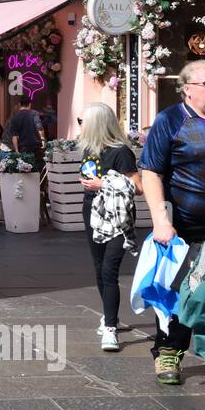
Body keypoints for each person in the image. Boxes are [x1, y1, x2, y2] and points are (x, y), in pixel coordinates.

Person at [139, 60, 205, 384]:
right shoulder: (170, 120)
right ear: (187, 89)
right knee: (181, 291)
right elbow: (151, 172)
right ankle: (169, 352)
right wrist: (161, 220)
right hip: (184, 226)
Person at [77, 103, 143, 353]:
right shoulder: (90, 149)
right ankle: (108, 315)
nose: (80, 126)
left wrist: (101, 184)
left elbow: (137, 186)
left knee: (109, 269)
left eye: (83, 122)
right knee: (98, 268)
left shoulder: (121, 152)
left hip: (117, 217)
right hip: (92, 212)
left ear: (96, 124)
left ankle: (111, 328)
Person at [5, 98, 46, 168]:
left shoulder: (15, 118)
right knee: (39, 169)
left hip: (23, 148)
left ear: (19, 104)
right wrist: (43, 140)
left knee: (26, 170)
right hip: (36, 147)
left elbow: (14, 136)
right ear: (30, 104)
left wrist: (17, 151)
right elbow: (39, 128)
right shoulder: (34, 113)